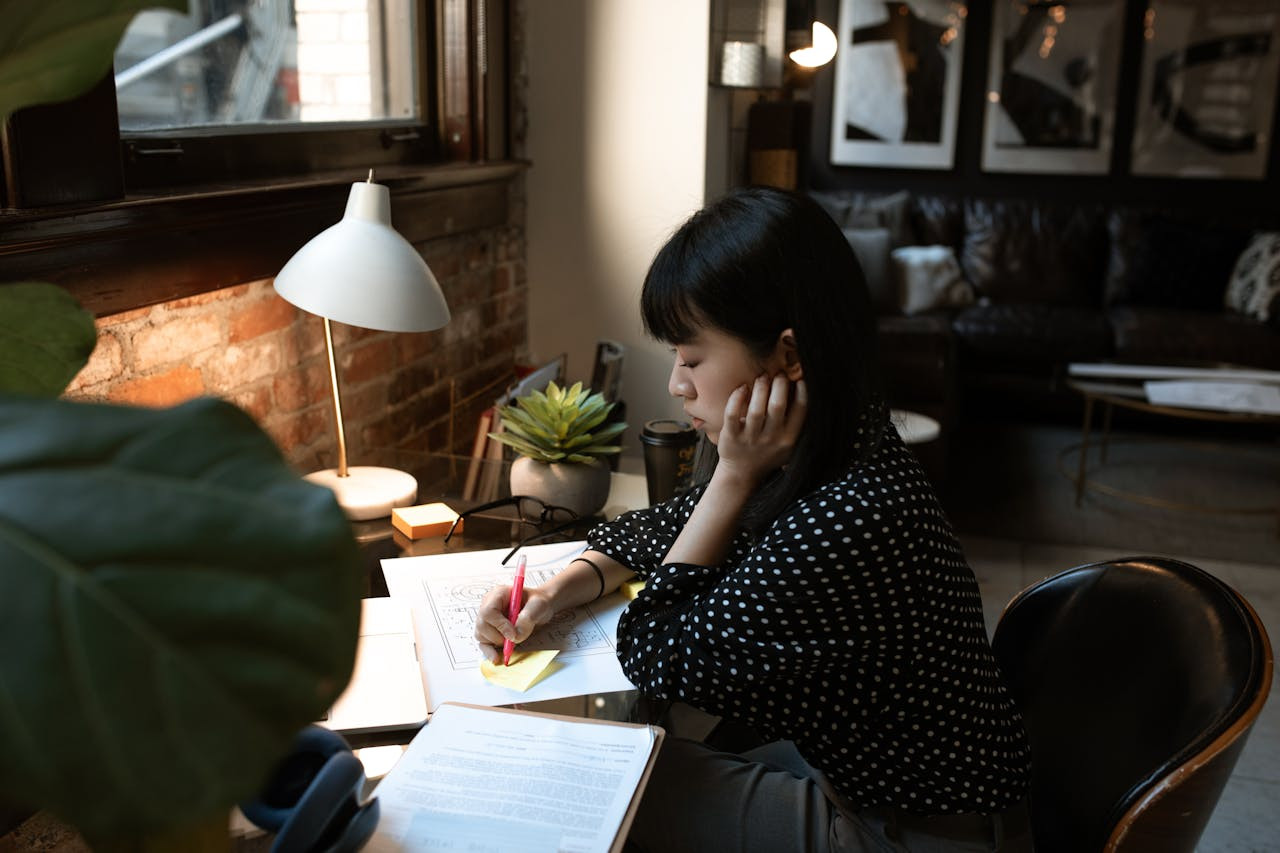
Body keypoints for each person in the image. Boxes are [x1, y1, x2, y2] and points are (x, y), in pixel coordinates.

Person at [474, 187, 1032, 851]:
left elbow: (656, 652)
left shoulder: (851, 515)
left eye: (692, 358)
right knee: (619, 760)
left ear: (788, 357)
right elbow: (663, 526)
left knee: (593, 775)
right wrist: (560, 586)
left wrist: (732, 475)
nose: (678, 384)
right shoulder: (841, 443)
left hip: (914, 833)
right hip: (878, 785)